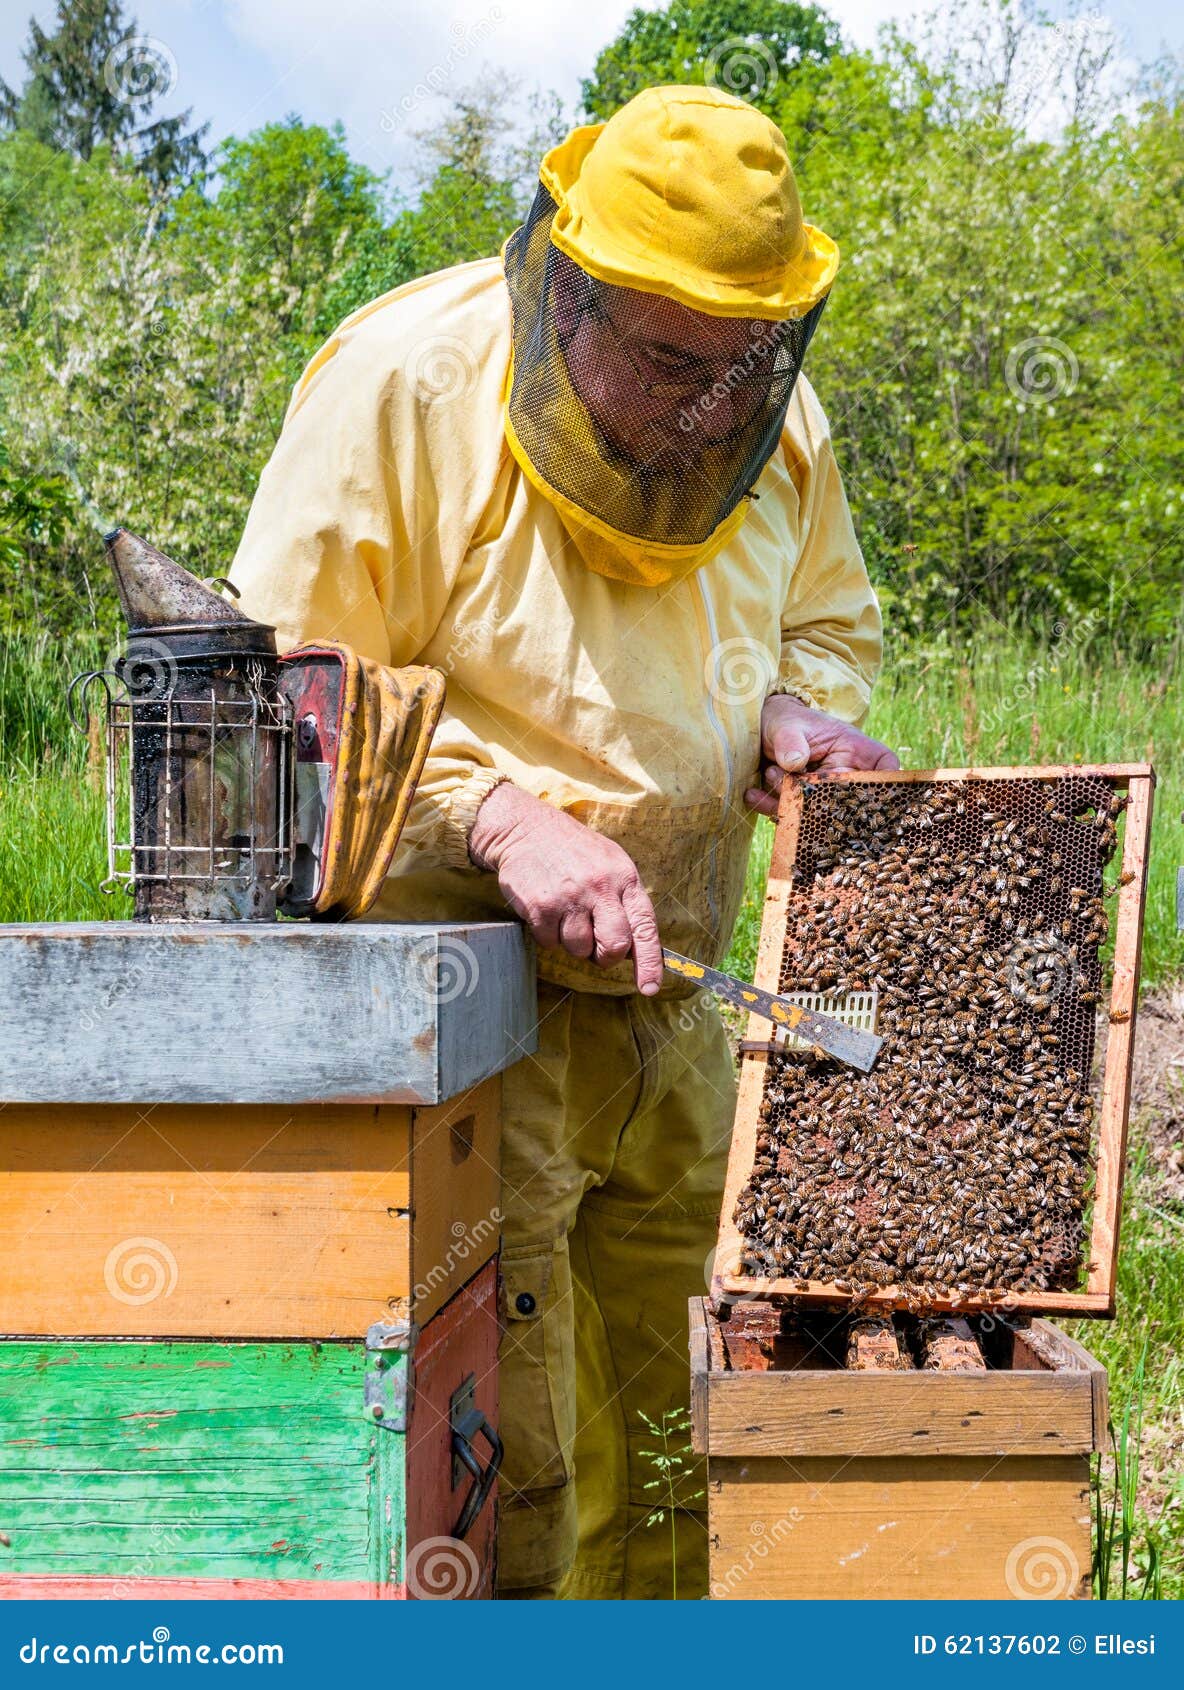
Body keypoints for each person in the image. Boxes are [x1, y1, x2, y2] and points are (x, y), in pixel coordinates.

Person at [229, 82, 898, 1600]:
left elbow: (831, 619)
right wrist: (495, 808)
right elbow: (290, 677)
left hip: (683, 1006)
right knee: (515, 1465)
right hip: (469, 1017)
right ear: (572, 288)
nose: (708, 409)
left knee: (685, 1436)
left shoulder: (773, 418)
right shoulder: (408, 380)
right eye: (672, 363)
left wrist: (796, 712)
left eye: (742, 368)